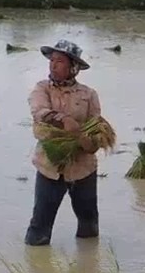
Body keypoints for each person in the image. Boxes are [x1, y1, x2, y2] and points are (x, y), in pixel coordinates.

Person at [24, 40, 102, 246]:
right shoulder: (42, 88)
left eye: (60, 61)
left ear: (73, 68)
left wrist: (88, 141)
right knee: (39, 227)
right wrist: (62, 119)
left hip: (82, 167)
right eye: (52, 60)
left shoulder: (89, 94)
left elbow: (97, 127)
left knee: (89, 225)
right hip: (50, 166)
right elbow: (38, 111)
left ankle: (88, 268)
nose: (53, 65)